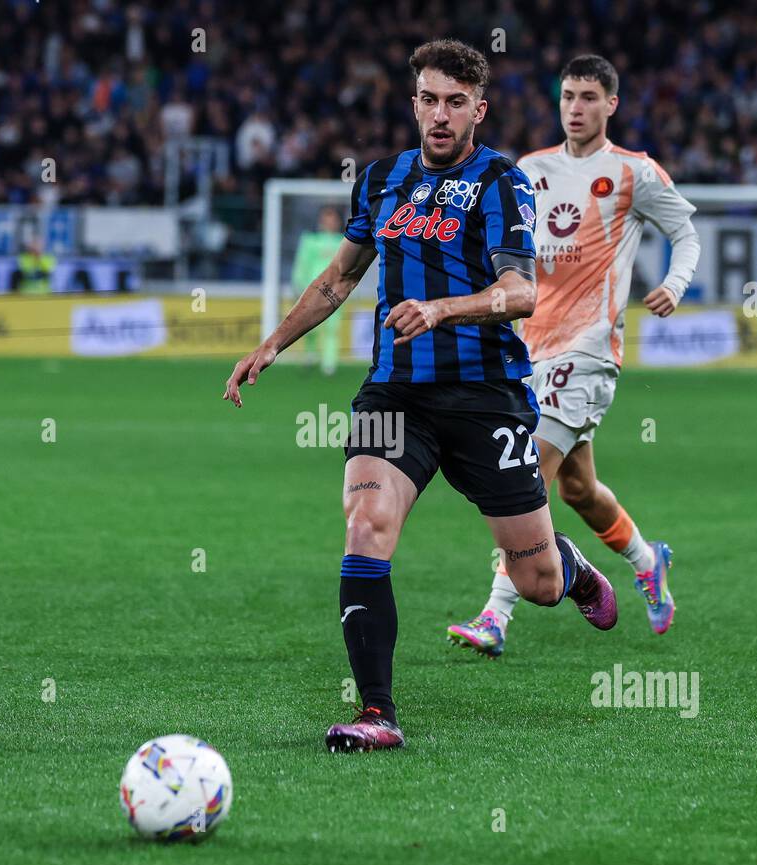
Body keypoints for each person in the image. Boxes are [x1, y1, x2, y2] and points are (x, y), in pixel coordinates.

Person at [223, 39, 616, 752]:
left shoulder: (501, 182)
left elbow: (522, 291)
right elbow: (339, 281)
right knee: (365, 525)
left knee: (535, 582)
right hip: (395, 394)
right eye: (429, 99)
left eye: (455, 103)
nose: (440, 115)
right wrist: (272, 344)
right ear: (414, 103)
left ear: (478, 109)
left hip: (485, 396)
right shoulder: (380, 180)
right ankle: (378, 714)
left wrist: (442, 308)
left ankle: (567, 561)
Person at [448, 54, 700, 656]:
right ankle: (648, 560)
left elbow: (686, 233)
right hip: (527, 349)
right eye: (567, 97)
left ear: (611, 104)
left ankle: (495, 615)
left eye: (589, 97)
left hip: (589, 349)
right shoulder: (527, 170)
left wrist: (673, 284)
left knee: (526, 472)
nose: (576, 108)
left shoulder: (632, 172)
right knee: (578, 490)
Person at [292, 206, 347, 374]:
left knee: (332, 327)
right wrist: (298, 284)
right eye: (326, 219)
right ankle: (311, 355)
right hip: (312, 289)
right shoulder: (310, 241)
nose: (329, 222)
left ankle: (329, 363)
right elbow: (302, 264)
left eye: (332, 219)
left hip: (336, 289)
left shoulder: (344, 242)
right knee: (309, 325)